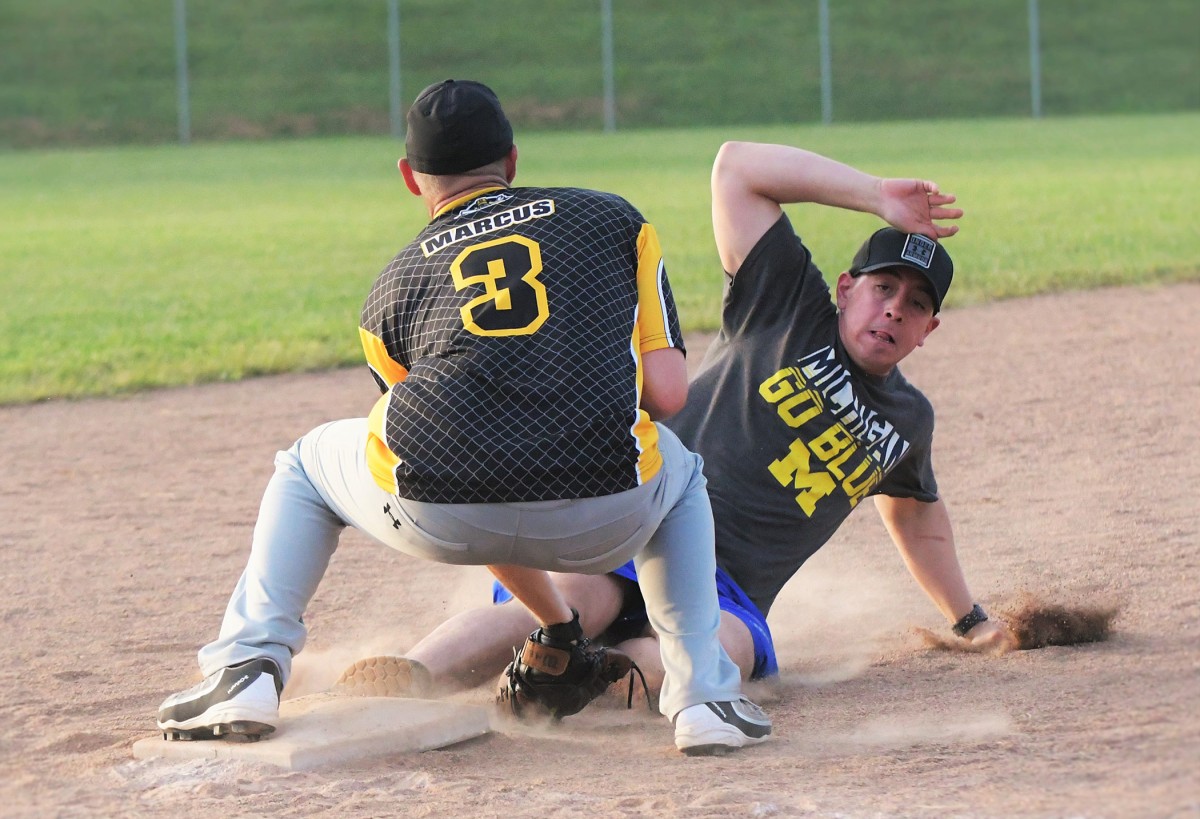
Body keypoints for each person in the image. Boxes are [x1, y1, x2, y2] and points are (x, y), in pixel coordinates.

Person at [155, 79, 771, 757]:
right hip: (610, 512)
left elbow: (458, 445)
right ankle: (704, 697)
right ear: (511, 160)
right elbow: (669, 391)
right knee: (680, 475)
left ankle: (247, 668)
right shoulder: (613, 220)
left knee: (307, 464)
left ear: (409, 179)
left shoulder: (389, 287)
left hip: (439, 514)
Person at [332, 139, 1013, 708]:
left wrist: (969, 619)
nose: (895, 309)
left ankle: (567, 692)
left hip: (731, 592)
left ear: (930, 329)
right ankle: (407, 678)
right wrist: (872, 194)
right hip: (634, 523)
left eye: (916, 303)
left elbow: (917, 520)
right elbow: (737, 168)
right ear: (846, 287)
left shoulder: (906, 420)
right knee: (577, 600)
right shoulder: (783, 303)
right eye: (883, 287)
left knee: (724, 657)